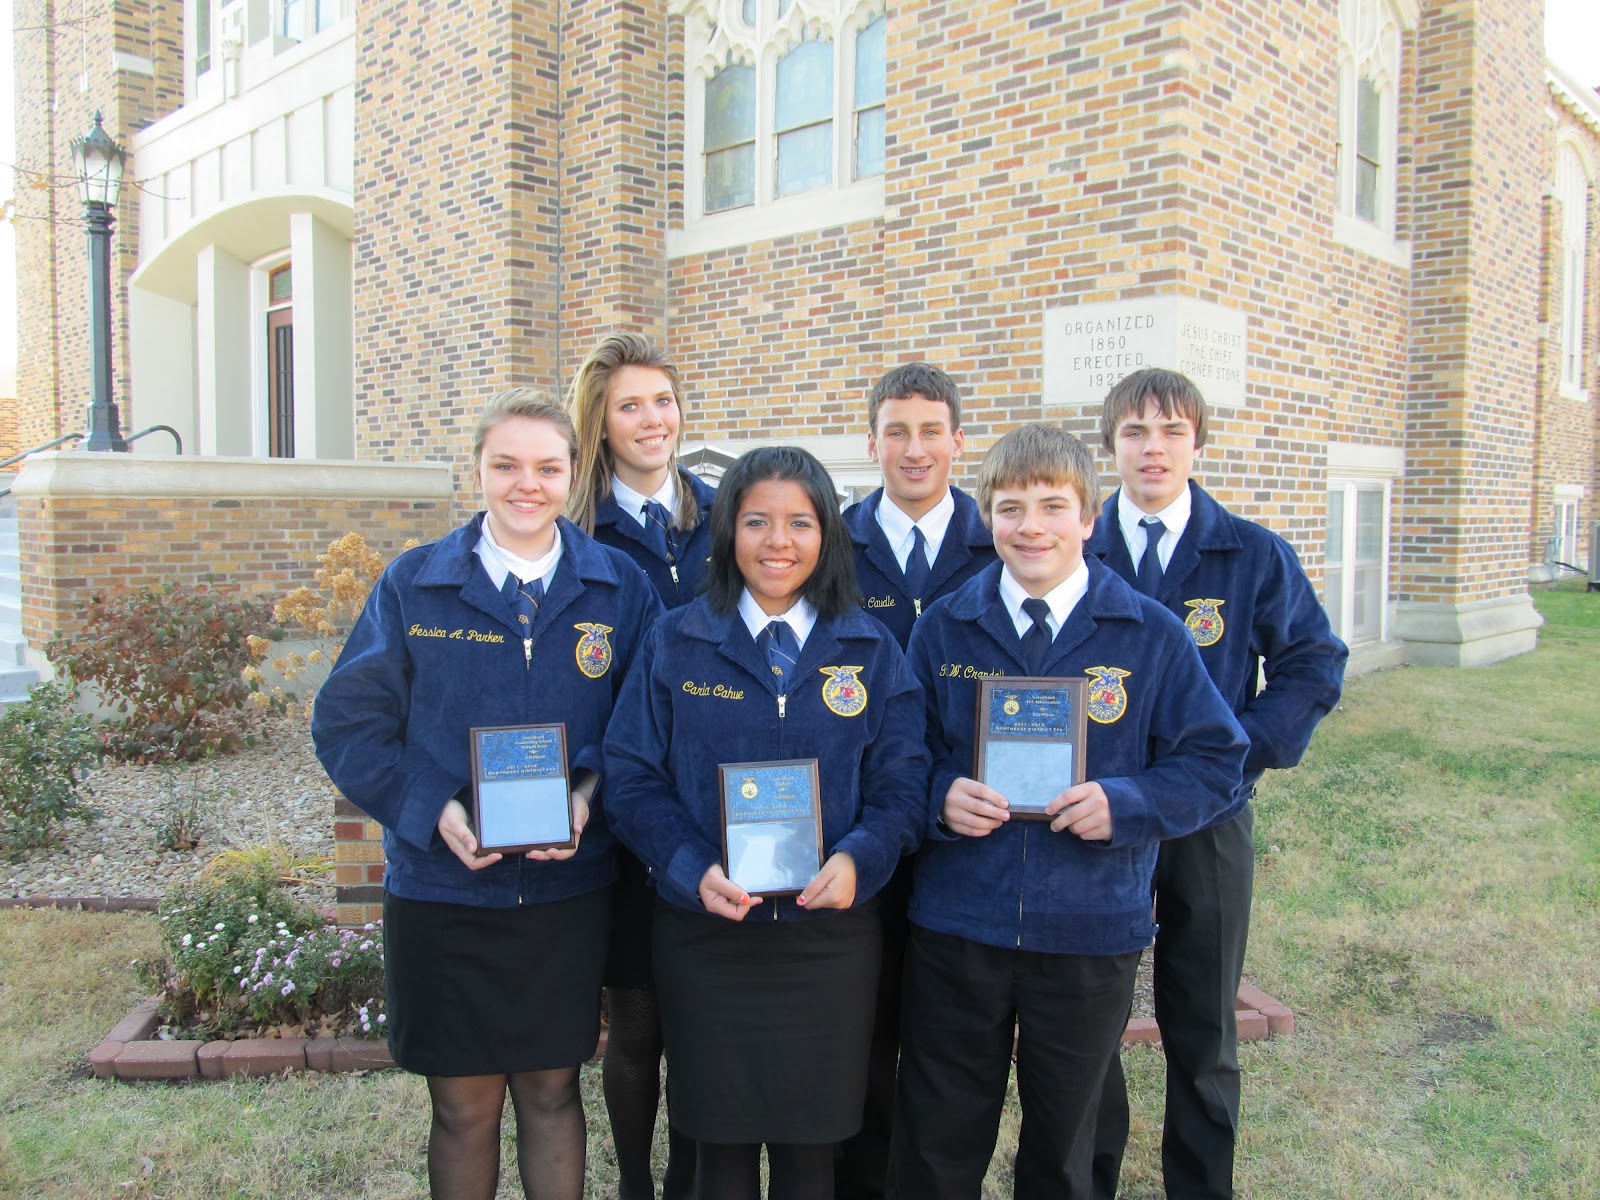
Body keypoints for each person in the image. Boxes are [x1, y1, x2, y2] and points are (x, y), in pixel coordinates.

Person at [312, 390, 663, 1200]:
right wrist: (432, 807)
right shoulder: (415, 585)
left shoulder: (619, 588)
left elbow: (647, 724)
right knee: (463, 1105)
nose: (525, 484)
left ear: (573, 473)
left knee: (550, 1090)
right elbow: (348, 723)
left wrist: (587, 795)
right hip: (443, 890)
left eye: (546, 466)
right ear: (477, 470)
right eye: (505, 465)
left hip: (565, 892)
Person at [888, 423, 1248, 1200]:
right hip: (961, 925)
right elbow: (895, 759)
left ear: (1090, 517)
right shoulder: (943, 627)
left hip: (1088, 929)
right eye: (1011, 508)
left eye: (1054, 506)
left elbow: (1217, 760)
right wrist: (937, 797)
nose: (1032, 527)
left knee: (1069, 1144)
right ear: (989, 520)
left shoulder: (1149, 634)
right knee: (937, 1135)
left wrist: (1129, 803)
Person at [603, 445, 932, 1200]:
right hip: (709, 937)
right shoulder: (676, 640)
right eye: (755, 521)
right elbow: (630, 775)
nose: (777, 542)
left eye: (799, 523)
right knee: (713, 1153)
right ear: (726, 533)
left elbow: (903, 785)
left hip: (829, 946)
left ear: (828, 536)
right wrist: (688, 868)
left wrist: (861, 858)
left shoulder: (870, 649)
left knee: (812, 1155)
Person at [1086, 368, 1347, 1200]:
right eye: (1134, 432)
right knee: (1091, 1028)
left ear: (1199, 442)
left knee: (1203, 1030)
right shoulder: (1078, 550)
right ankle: (1088, 1178)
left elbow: (1312, 663)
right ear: (1111, 447)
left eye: (1170, 431)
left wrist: (1242, 755)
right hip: (1102, 822)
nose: (1152, 448)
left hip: (1209, 819)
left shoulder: (1251, 554)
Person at [837, 361, 997, 1200]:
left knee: (942, 1048)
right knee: (863, 1038)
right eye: (896, 430)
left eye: (931, 430)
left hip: (969, 837)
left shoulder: (1000, 540)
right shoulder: (830, 543)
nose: (914, 448)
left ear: (957, 442)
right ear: (871, 443)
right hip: (856, 830)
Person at [568, 330, 712, 1200]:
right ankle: (634, 1185)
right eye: (631, 405)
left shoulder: (723, 514)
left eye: (663, 401)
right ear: (602, 422)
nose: (651, 419)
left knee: (697, 1018)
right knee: (638, 1023)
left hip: (705, 803)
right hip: (617, 806)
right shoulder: (579, 531)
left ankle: (694, 1180)